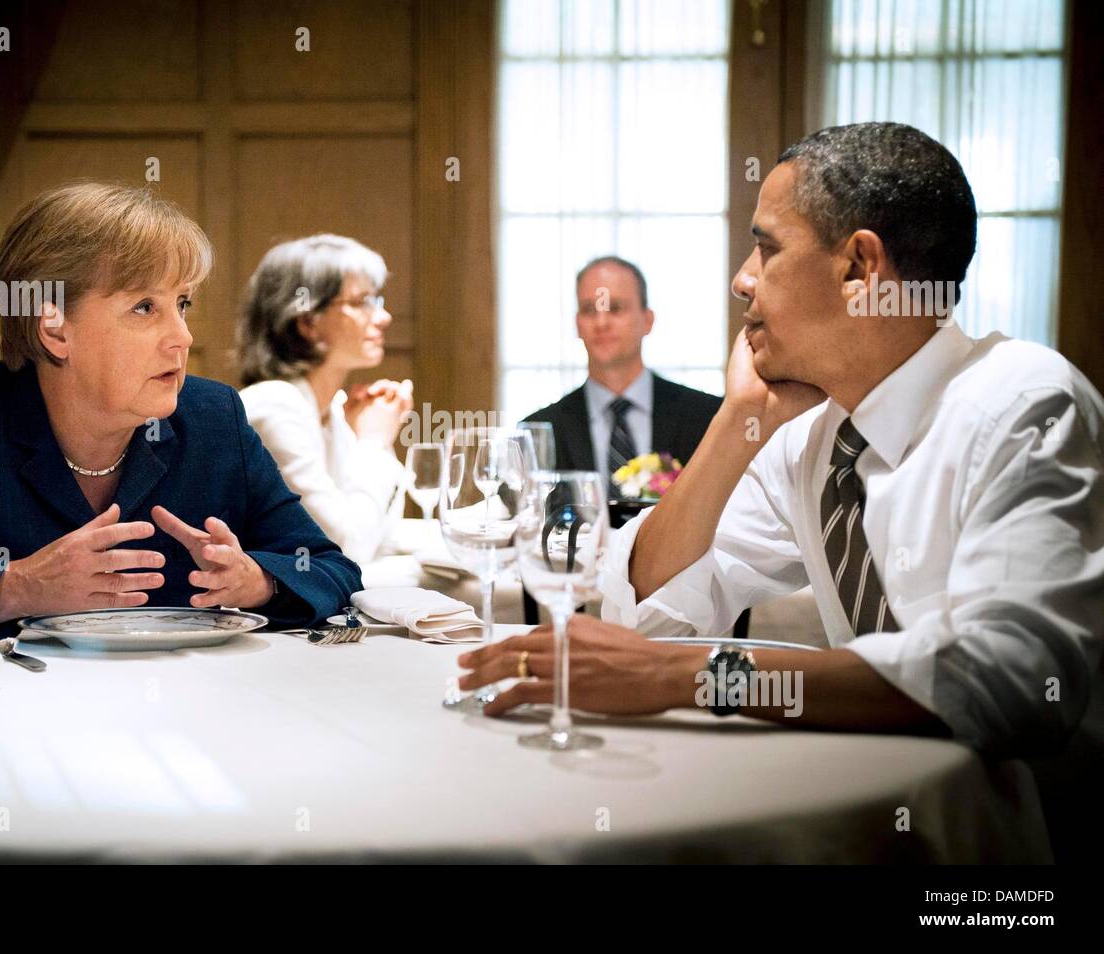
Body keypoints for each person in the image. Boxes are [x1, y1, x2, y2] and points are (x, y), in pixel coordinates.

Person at [459, 123, 1103, 859]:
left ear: (860, 267)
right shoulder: (810, 436)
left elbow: (1011, 681)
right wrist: (739, 420)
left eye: (766, 247)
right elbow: (649, 611)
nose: (742, 278)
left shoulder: (1022, 403)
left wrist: (687, 678)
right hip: (886, 820)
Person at [0, 183, 361, 644]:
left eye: (182, 304)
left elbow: (333, 568)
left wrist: (258, 581)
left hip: (184, 718)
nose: (183, 337)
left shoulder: (214, 418)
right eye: (145, 307)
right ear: (54, 328)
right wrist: (16, 585)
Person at [238, 234, 413, 565]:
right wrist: (373, 443)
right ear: (308, 322)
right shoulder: (274, 406)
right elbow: (342, 550)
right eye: (362, 302)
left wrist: (366, 438)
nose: (384, 317)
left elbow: (379, 534)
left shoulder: (330, 408)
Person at [523, 255, 722, 487]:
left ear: (647, 321)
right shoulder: (539, 432)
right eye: (589, 310)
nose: (601, 323)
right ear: (577, 325)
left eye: (615, 308)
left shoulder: (707, 417)